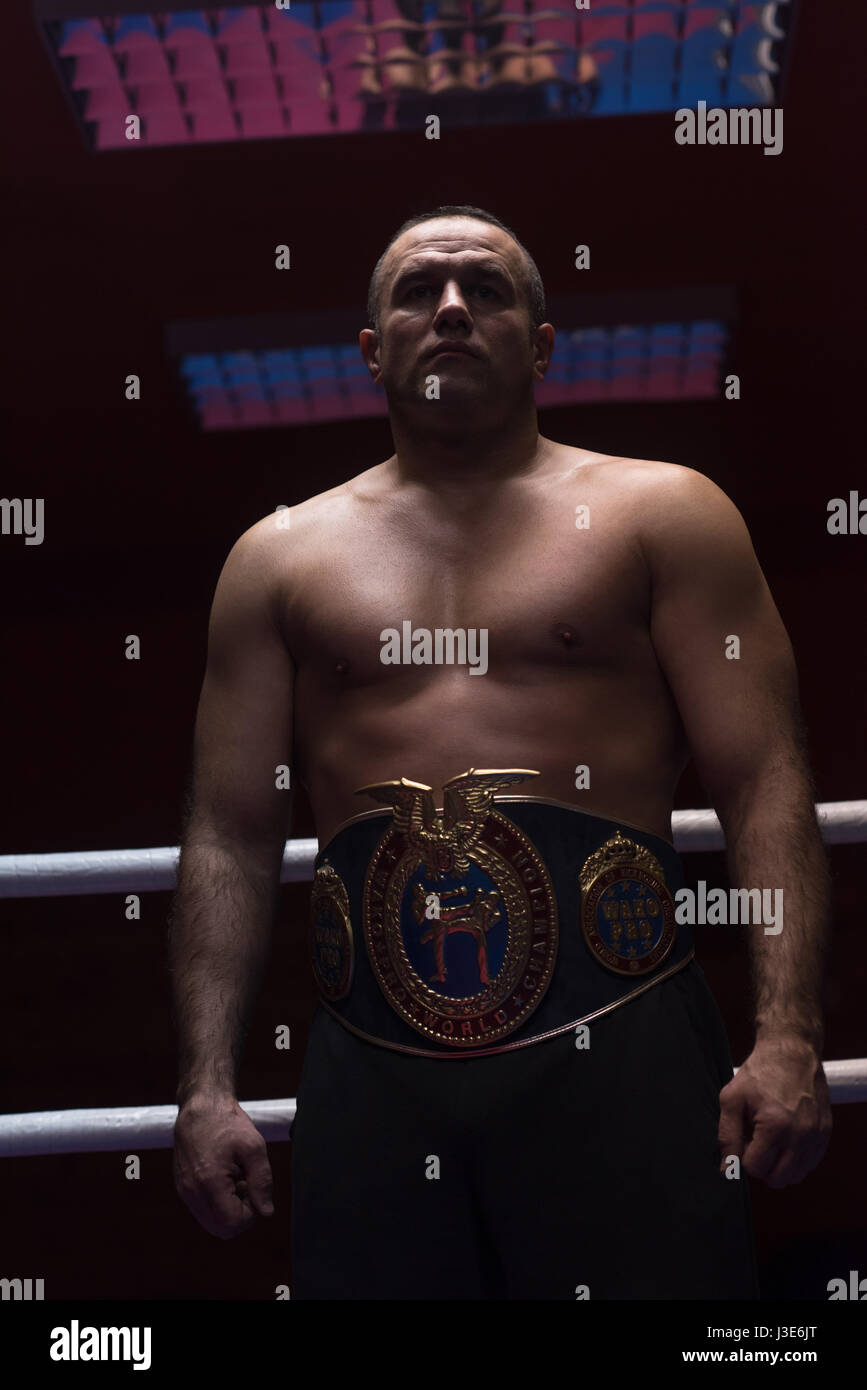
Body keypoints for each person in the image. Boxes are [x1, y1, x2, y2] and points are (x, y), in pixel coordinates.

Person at [170, 204, 832, 1300]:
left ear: (542, 338)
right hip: (371, 1073)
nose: (452, 310)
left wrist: (790, 1035)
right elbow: (230, 830)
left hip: (620, 1047)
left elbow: (764, 774)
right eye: (418, 292)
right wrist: (205, 1085)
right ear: (374, 348)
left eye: (486, 289)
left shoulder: (663, 513)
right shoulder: (277, 559)